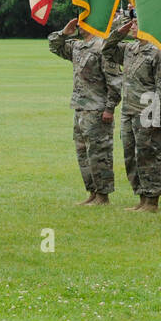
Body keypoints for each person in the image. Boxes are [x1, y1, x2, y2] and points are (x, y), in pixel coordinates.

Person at [49, 14, 120, 206]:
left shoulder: (103, 46)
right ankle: (92, 192)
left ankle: (103, 195)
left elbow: (114, 81)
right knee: (82, 152)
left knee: (99, 153)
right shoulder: (78, 46)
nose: (80, 25)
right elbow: (54, 46)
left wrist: (110, 108)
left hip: (97, 109)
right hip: (80, 107)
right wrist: (64, 32)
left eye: (85, 21)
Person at [104, 13, 161, 211]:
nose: (132, 25)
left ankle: (152, 200)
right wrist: (118, 33)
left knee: (148, 155)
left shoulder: (158, 51)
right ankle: (141, 196)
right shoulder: (130, 49)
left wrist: (159, 117)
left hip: (147, 113)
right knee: (130, 155)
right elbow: (106, 50)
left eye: (137, 22)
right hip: (129, 111)